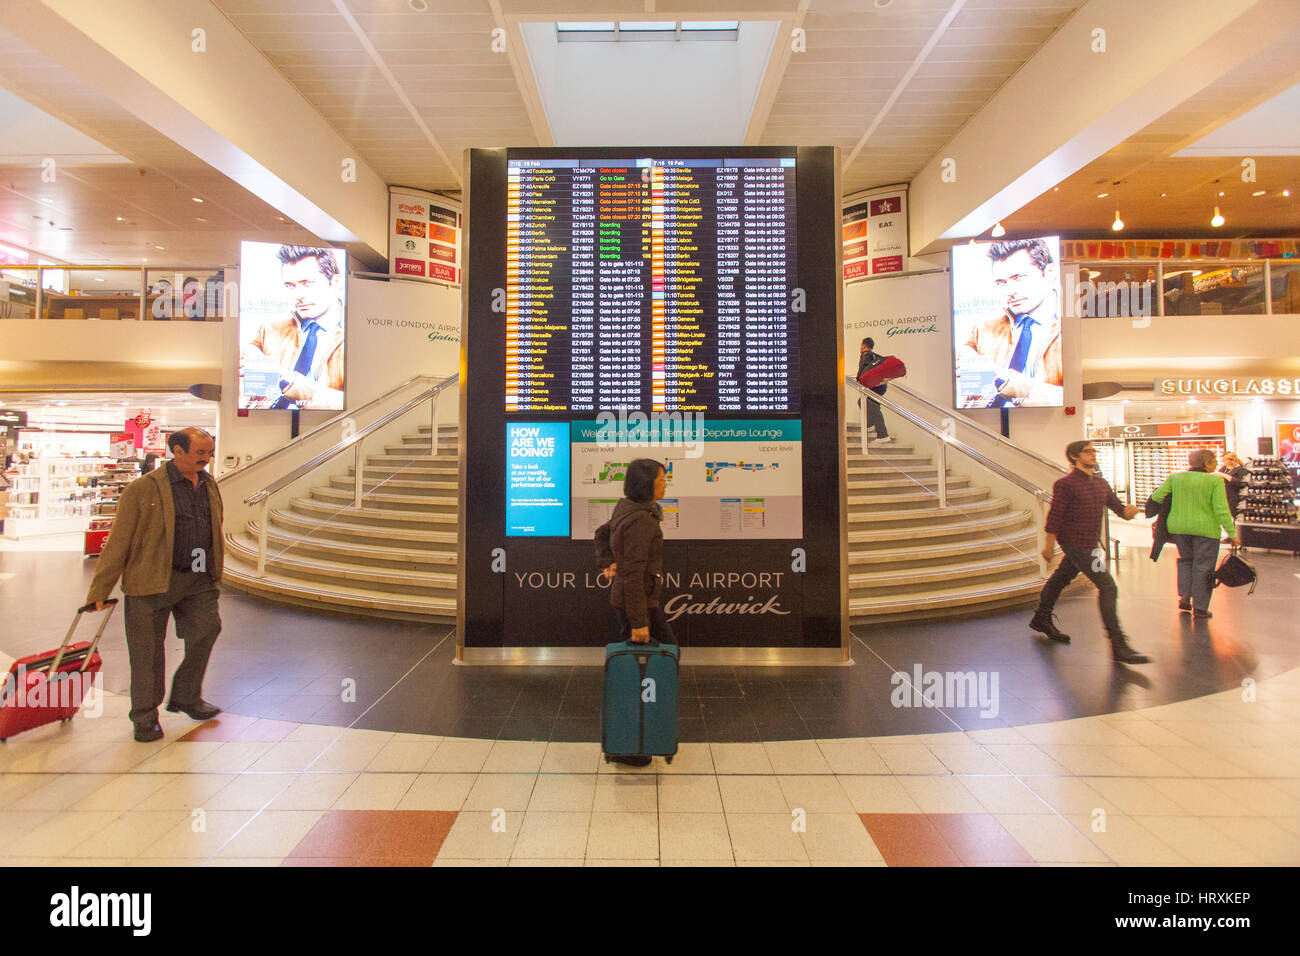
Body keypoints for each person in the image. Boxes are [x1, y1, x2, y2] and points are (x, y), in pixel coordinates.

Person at [85, 427, 225, 742]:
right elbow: (118, 542)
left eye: (209, 451)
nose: (207, 458)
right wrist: (99, 592)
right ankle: (145, 717)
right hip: (151, 583)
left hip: (198, 579)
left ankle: (187, 696)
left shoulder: (208, 484)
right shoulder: (143, 489)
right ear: (177, 451)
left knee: (207, 630)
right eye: (200, 452)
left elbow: (215, 524)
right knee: (147, 653)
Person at [1030, 440, 1150, 664]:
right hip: (1075, 543)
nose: (1093, 455)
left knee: (1061, 578)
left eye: (1094, 451)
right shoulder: (1066, 484)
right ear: (1075, 457)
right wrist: (1048, 545)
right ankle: (1118, 644)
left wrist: (1129, 512)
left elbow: (1119, 509)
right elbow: (1055, 516)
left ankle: (1041, 617)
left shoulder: (1101, 483)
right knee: (1107, 586)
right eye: (1088, 452)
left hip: (1090, 544)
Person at [594, 458, 673, 767]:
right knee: (644, 670)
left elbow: (601, 535)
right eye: (662, 479)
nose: (665, 484)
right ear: (647, 484)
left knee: (642, 670)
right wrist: (640, 623)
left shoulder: (627, 507)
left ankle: (634, 736)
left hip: (630, 603)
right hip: (637, 606)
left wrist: (606, 563)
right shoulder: (641, 518)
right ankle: (627, 744)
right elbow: (634, 574)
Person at [957, 238, 1063, 408]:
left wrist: (1002, 378)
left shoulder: (1069, 330)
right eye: (1001, 282)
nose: (1010, 291)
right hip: (988, 425)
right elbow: (972, 400)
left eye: (1020, 277)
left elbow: (1069, 397)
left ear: (1050, 273)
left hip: (1051, 425)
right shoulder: (984, 330)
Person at [241, 245, 345, 409]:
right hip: (267, 425)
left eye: (308, 283)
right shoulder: (271, 329)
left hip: (330, 428)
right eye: (290, 286)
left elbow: (359, 403)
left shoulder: (357, 333)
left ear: (336, 282)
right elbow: (252, 399)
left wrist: (287, 380)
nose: (298, 295)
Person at [1151, 448, 1239, 618]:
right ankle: (1200, 607)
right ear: (1207, 463)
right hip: (1206, 530)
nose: (1216, 464)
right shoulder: (1214, 482)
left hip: (1178, 528)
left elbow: (1157, 496)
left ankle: (1185, 596)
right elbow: (1221, 510)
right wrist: (1232, 533)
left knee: (1185, 561)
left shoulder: (1175, 478)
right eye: (1214, 461)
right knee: (1204, 567)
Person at [856, 337, 892, 444]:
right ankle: (870, 425)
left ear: (863, 345)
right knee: (862, 402)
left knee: (872, 407)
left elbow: (863, 367)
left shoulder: (866, 355)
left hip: (874, 386)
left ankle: (883, 435)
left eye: (861, 345)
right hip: (881, 385)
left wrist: (858, 379)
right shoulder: (876, 356)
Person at [1217, 452, 1250, 520]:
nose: (1223, 462)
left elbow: (1241, 483)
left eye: (1224, 461)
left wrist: (1225, 476)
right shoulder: (1224, 468)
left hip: (1235, 496)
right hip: (1225, 496)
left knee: (1234, 515)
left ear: (1232, 460)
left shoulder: (1241, 470)